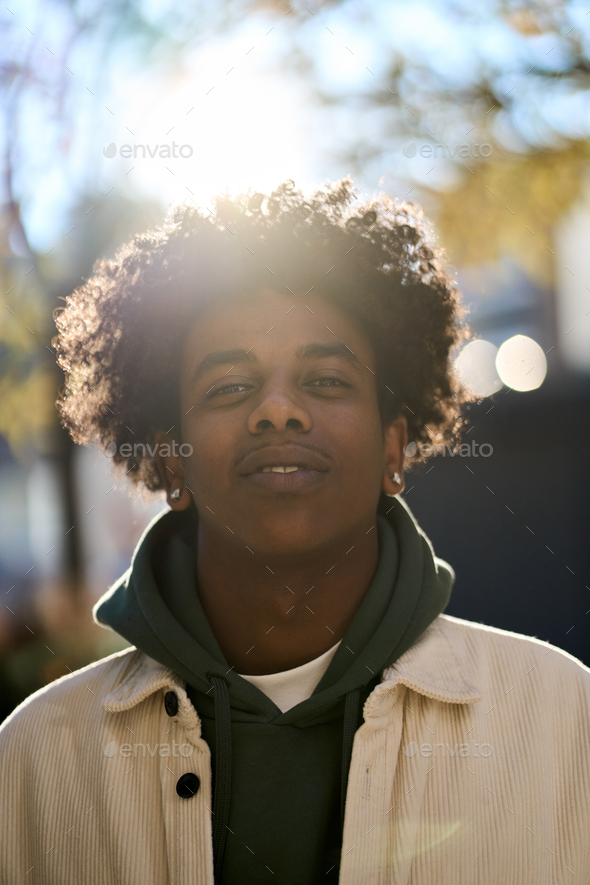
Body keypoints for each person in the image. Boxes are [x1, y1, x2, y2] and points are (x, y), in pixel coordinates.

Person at [1, 179, 588, 884]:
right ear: (168, 459)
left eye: (328, 380)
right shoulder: (35, 759)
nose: (278, 410)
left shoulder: (562, 720)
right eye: (229, 387)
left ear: (393, 449)